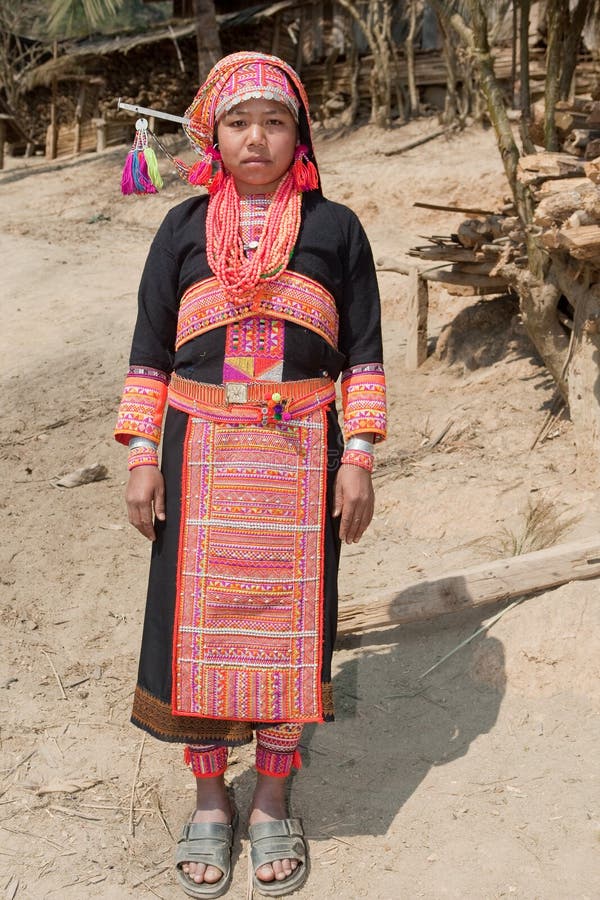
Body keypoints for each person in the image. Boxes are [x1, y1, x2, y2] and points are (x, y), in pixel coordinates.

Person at [114, 51, 387, 899]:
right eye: (239, 122)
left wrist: (360, 459)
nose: (256, 137)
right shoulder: (182, 229)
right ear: (215, 135)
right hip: (197, 456)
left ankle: (270, 797)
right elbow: (150, 351)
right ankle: (210, 797)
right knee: (192, 637)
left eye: (274, 121)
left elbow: (366, 353)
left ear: (298, 133)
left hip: (303, 456)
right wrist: (141, 458)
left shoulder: (336, 228)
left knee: (291, 635)